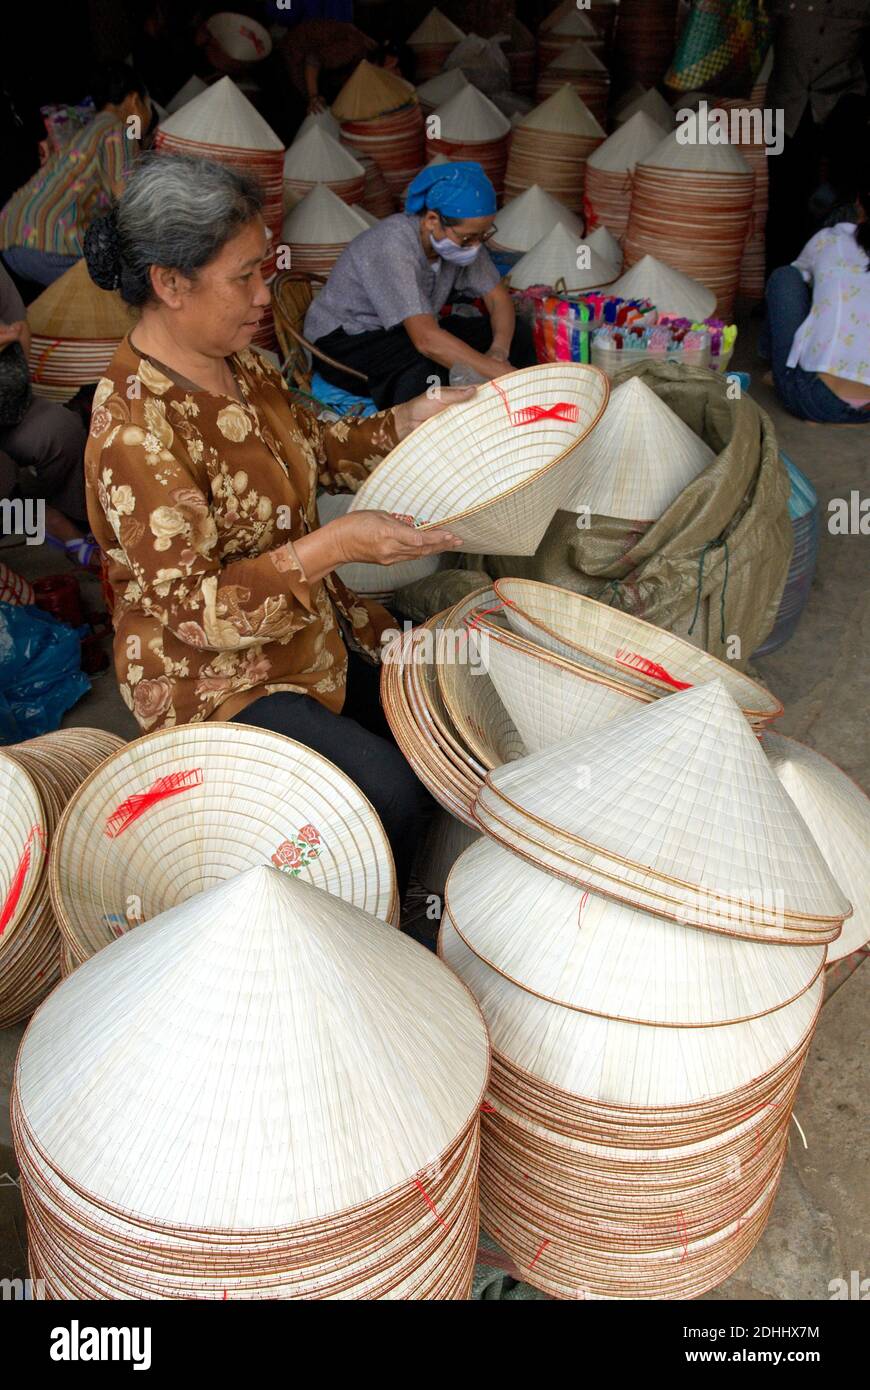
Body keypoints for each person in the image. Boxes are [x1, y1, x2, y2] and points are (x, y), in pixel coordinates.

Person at [82, 153, 472, 892]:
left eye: (265, 270)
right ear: (170, 283)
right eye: (245, 277)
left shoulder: (242, 363)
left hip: (310, 626)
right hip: (212, 675)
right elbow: (196, 614)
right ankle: (362, 931)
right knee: (386, 792)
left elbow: (321, 447)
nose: (266, 295)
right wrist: (331, 547)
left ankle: (396, 888)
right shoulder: (136, 430)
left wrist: (411, 420)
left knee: (443, 705)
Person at [304, 161, 536, 408]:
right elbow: (426, 339)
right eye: (468, 238)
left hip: (404, 331)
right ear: (432, 220)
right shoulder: (391, 245)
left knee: (517, 333)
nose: (476, 246)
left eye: (483, 236)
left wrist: (499, 351)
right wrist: (497, 372)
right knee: (425, 367)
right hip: (346, 339)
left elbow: (498, 299)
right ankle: (421, 439)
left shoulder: (462, 241)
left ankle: (521, 412)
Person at [0, 62, 150, 289]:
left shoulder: (88, 130)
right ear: (134, 100)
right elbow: (130, 202)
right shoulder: (120, 130)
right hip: (52, 240)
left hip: (11, 234)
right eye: (148, 105)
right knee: (118, 295)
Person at [0, 262, 96, 565]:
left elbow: (19, 327)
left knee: (60, 430)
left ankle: (72, 516)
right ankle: (40, 520)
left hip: (7, 399)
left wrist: (14, 382)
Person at [766, 0, 870, 269]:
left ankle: (834, 277)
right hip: (786, 104)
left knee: (844, 194)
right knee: (784, 200)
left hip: (841, 99)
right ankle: (780, 281)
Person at [762, 173, 870, 424]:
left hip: (817, 400)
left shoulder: (831, 239)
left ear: (858, 204)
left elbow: (798, 277)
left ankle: (777, 368)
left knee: (785, 278)